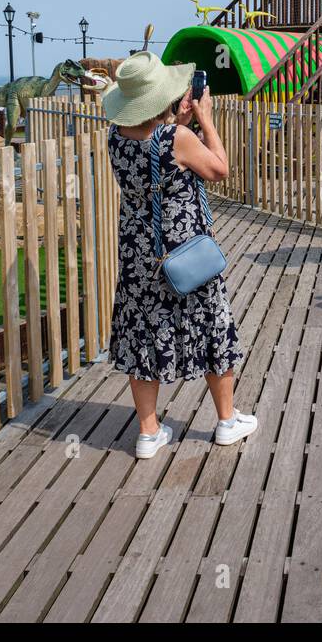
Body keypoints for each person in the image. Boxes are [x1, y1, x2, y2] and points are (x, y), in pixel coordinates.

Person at [103, 52, 254, 457]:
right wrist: (204, 118)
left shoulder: (115, 136)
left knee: (143, 333)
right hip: (186, 252)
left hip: (141, 253)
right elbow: (218, 168)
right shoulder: (179, 139)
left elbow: (157, 154)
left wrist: (178, 124)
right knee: (212, 324)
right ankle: (226, 421)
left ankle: (148, 433)